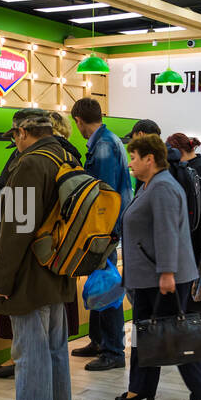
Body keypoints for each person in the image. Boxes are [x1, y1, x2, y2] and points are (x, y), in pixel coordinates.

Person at [0, 109, 76, 400]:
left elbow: (16, 227)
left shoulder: (30, 163)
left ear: (22, 133)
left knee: (29, 353)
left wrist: (1, 281)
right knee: (54, 349)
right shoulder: (66, 155)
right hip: (58, 267)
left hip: (29, 273)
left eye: (14, 137)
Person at [116, 134, 201, 400]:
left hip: (163, 276)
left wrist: (167, 274)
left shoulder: (162, 188)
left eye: (134, 158)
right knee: (143, 333)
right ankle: (140, 386)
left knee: (174, 335)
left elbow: (167, 232)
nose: (130, 164)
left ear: (150, 159)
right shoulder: (150, 185)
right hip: (149, 275)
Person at [69, 97, 132, 372]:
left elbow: (103, 193)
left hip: (104, 229)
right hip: (107, 228)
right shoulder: (109, 139)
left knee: (107, 288)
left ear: (79, 121)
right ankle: (98, 341)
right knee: (100, 283)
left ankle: (113, 351)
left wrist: (100, 231)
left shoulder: (103, 145)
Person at [167, 132, 201, 333]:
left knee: (194, 279)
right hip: (197, 231)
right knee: (193, 280)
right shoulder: (191, 168)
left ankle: (195, 326)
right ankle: (198, 324)